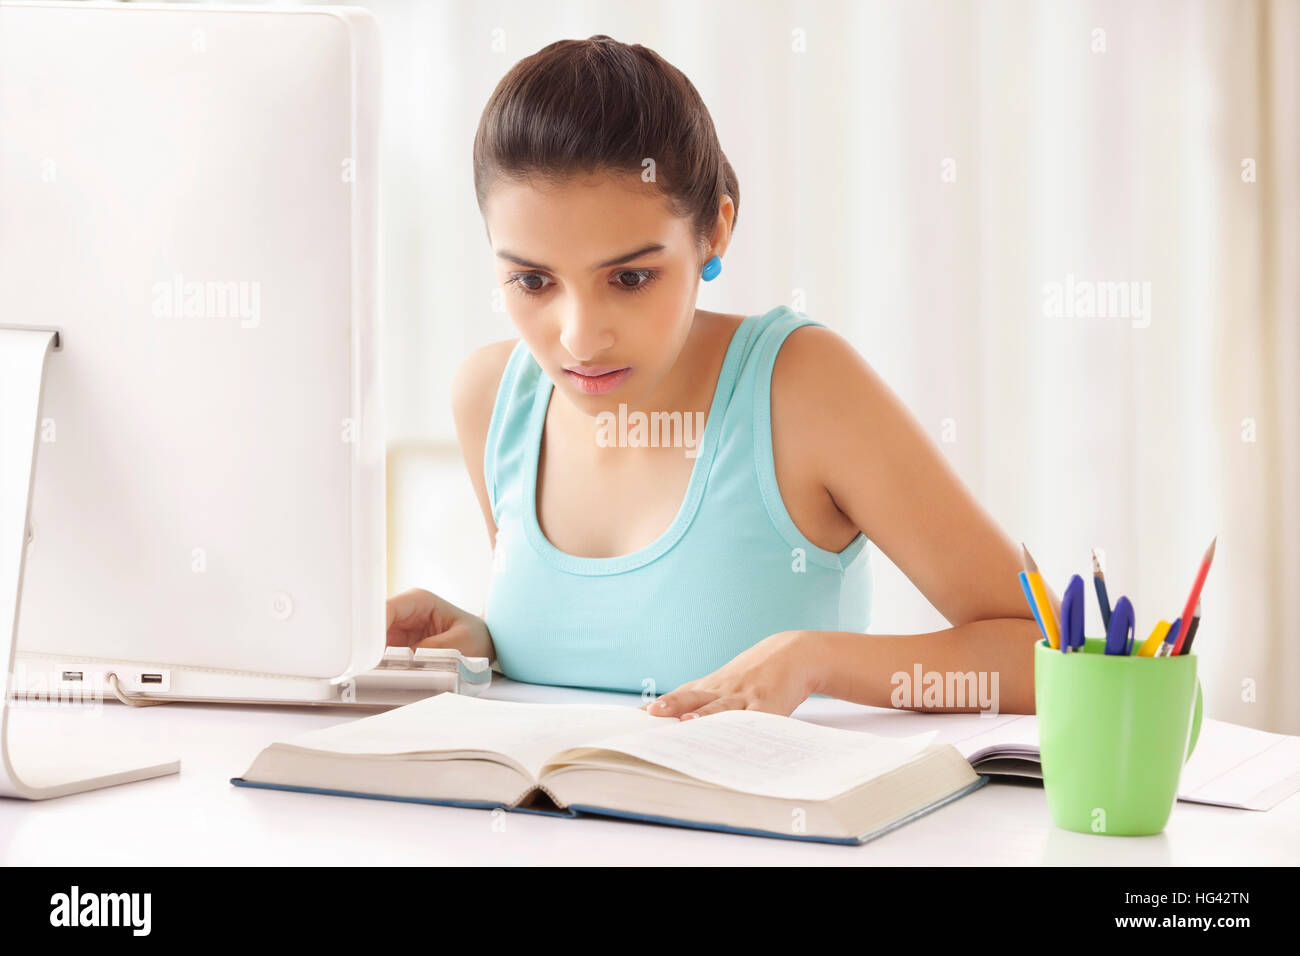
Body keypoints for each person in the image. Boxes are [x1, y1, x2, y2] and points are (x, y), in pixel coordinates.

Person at [386, 34, 1040, 718]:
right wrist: (482, 645)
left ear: (715, 231)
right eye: (531, 280)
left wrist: (815, 661)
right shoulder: (493, 398)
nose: (579, 337)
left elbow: (1047, 655)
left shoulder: (803, 388)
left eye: (631, 277)